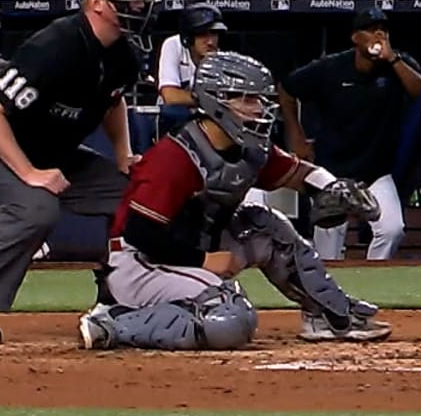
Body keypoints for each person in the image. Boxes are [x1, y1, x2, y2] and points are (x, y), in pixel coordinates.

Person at [78, 52, 391, 350]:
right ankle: (112, 322)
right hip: (139, 264)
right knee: (229, 319)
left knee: (267, 225)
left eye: (261, 100)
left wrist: (332, 186)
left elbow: (297, 172)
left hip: (189, 248)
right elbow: (140, 233)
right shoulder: (175, 157)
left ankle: (328, 315)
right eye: (248, 99)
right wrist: (202, 262)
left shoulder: (248, 146)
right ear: (217, 102)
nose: (259, 109)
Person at [0, 0, 158, 344]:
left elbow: (112, 100)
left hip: (55, 151)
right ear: (96, 2)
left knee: (136, 193)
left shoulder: (123, 52)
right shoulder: (57, 44)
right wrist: (30, 174)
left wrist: (123, 155)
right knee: (36, 207)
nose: (139, 4)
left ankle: (117, 294)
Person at [280, 6, 421, 261]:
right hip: (332, 171)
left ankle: (372, 280)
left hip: (375, 172)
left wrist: (392, 58)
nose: (377, 36)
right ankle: (328, 295)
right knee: (329, 244)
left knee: (393, 230)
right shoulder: (331, 67)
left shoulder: (397, 64)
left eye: (382, 31)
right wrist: (296, 135)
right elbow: (286, 88)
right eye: (370, 31)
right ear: (356, 38)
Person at [156, 3, 224, 110]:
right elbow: (170, 97)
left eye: (214, 33)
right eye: (202, 35)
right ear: (188, 38)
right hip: (173, 118)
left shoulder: (220, 58)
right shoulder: (173, 45)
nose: (210, 42)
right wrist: (209, 101)